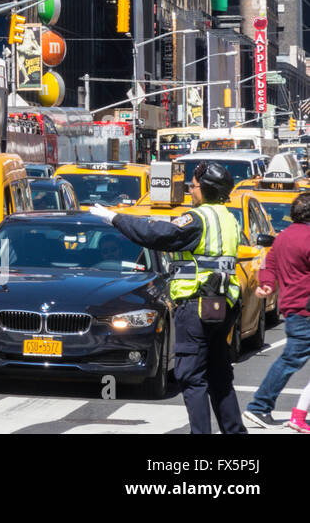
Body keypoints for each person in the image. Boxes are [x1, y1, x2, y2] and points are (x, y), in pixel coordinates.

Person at [88, 161, 245, 434]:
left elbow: (155, 235)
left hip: (196, 305)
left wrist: (116, 219)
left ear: (205, 189)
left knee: (190, 375)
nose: (191, 191)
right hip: (222, 305)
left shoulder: (198, 219)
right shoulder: (228, 218)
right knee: (219, 374)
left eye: (193, 187)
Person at [244, 191, 310, 430]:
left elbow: (269, 264)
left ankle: (265, 407)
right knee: (291, 359)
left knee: (291, 358)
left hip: (293, 307)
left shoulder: (284, 237)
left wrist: (267, 284)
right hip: (306, 309)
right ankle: (260, 406)